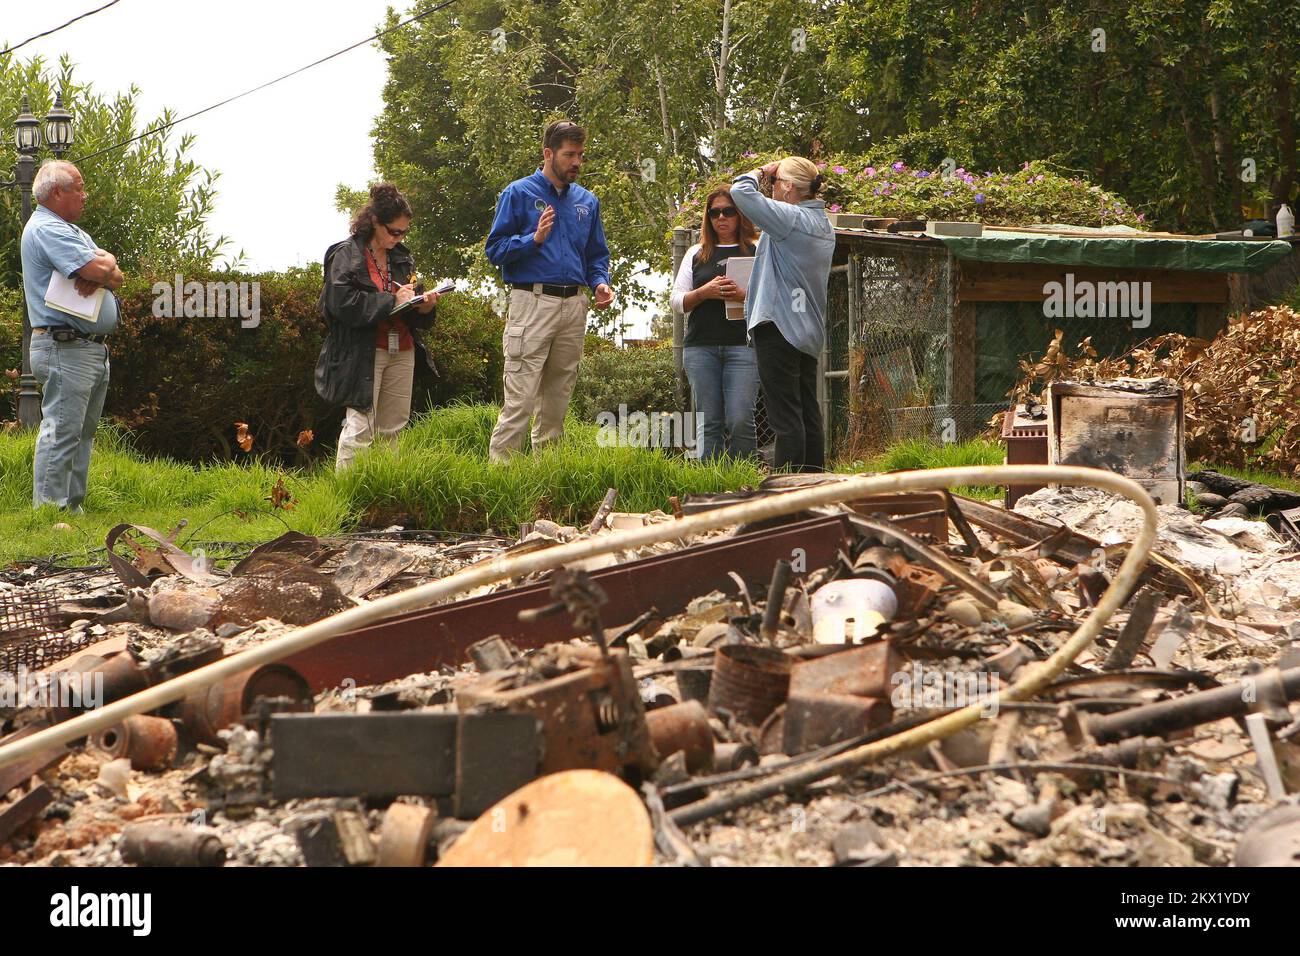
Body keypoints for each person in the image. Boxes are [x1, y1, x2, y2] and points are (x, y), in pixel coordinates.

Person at [485, 119, 613, 463]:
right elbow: (494, 250)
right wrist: (533, 239)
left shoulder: (588, 201)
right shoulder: (518, 193)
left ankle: (547, 486)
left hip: (574, 306)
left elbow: (596, 255)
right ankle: (501, 483)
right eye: (570, 154)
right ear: (548, 153)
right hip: (531, 301)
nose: (577, 163)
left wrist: (600, 282)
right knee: (520, 402)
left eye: (581, 155)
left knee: (556, 404)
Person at [21, 160, 123, 510]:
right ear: (56, 192)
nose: (85, 194)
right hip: (64, 345)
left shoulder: (73, 232)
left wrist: (105, 263)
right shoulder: (49, 229)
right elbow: (100, 269)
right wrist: (100, 268)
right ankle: (50, 511)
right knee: (63, 431)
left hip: (86, 348)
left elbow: (116, 275)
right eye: (78, 188)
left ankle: (71, 509)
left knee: (81, 434)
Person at [316, 183, 438, 470]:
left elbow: (406, 299)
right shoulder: (345, 254)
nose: (399, 238)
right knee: (360, 427)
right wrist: (390, 300)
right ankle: (347, 501)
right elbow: (341, 303)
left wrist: (424, 306)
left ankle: (382, 501)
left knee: (393, 430)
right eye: (394, 231)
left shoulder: (401, 256)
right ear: (374, 221)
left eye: (405, 232)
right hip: (363, 350)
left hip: (402, 347)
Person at [730, 157, 835, 471]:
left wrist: (761, 170)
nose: (771, 187)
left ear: (789, 187)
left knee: (785, 416)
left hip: (779, 327)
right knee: (806, 413)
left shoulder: (791, 219)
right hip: (806, 332)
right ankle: (813, 487)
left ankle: (786, 494)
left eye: (776, 183)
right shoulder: (824, 225)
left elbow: (741, 192)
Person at [669, 186, 760, 460]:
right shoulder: (697, 253)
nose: (722, 218)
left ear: (740, 214)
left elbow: (773, 296)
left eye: (729, 211)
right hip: (701, 348)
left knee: (740, 419)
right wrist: (704, 292)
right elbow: (676, 301)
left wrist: (745, 296)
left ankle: (745, 486)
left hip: (744, 347)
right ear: (708, 218)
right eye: (715, 213)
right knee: (708, 423)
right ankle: (712, 488)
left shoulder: (757, 250)